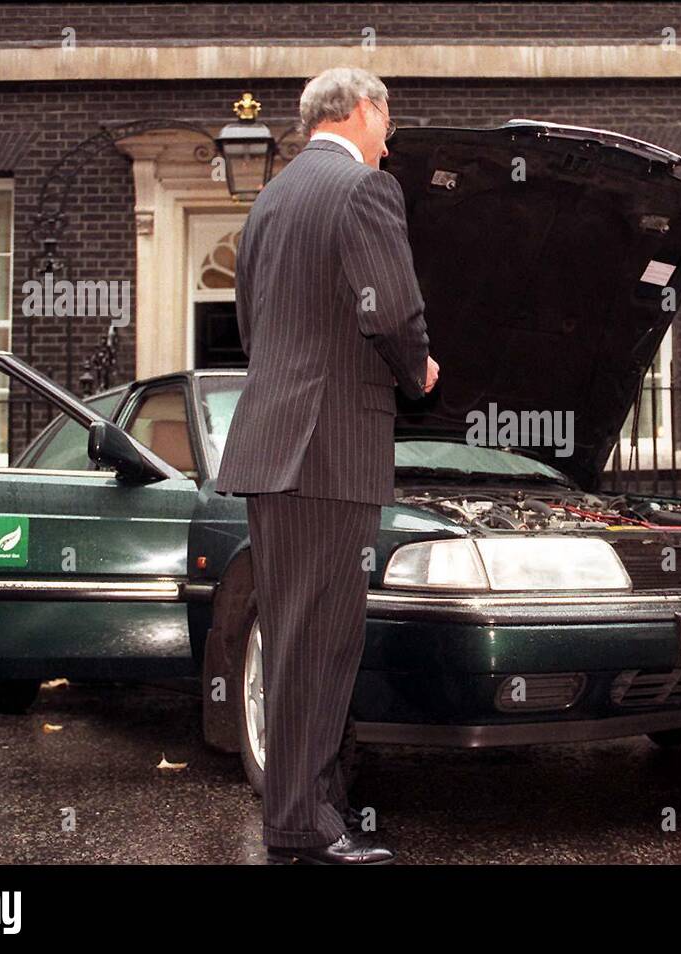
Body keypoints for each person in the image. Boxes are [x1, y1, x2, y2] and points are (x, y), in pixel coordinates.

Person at [216, 67, 438, 864]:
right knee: (325, 637)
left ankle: (306, 808)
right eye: (390, 118)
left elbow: (252, 322)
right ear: (363, 110)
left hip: (275, 444)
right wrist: (418, 371)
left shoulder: (268, 202)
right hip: (329, 447)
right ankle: (305, 823)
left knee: (293, 635)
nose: (392, 135)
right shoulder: (364, 189)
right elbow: (395, 306)